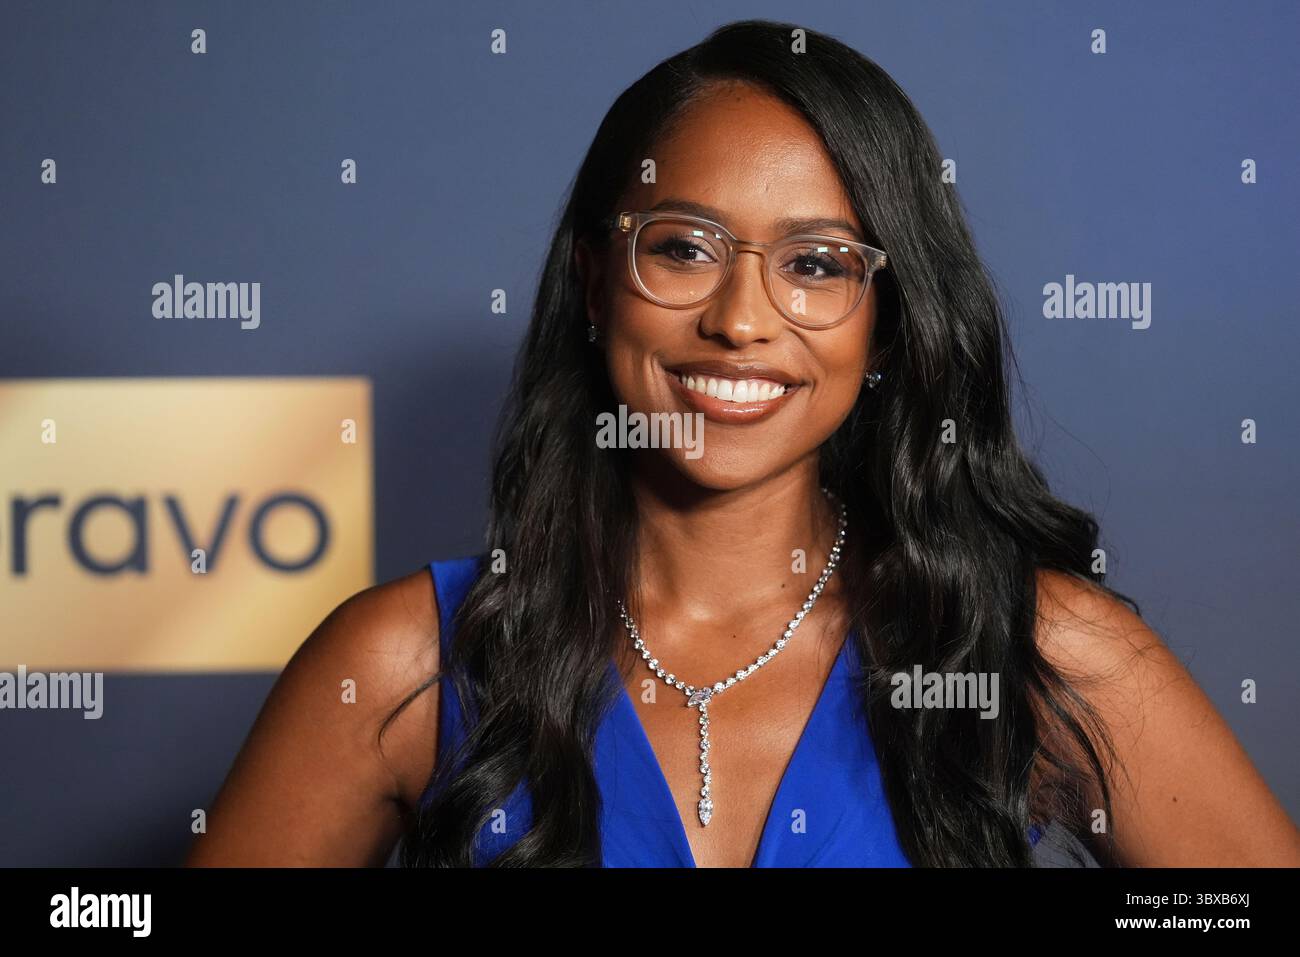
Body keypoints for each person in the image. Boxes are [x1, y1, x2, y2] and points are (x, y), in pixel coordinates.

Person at [186, 19, 1300, 868]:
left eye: (816, 264)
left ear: (884, 324)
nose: (741, 319)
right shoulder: (406, 664)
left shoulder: (1029, 649)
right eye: (683, 248)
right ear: (592, 280)